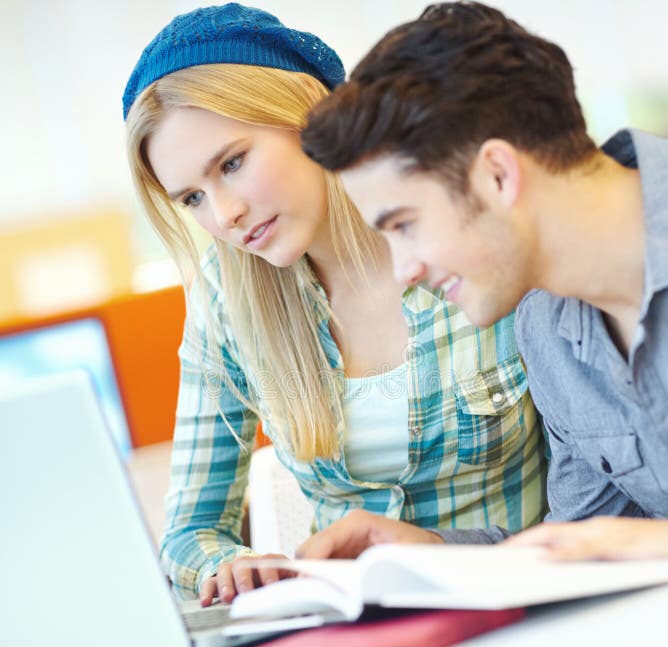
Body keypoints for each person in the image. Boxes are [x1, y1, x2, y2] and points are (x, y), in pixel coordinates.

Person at [296, 1, 668, 566]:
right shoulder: (544, 331)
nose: (403, 270)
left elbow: (640, 543)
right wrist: (433, 552)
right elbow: (586, 541)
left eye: (405, 225)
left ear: (498, 174)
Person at [122, 4, 547, 603]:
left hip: (524, 602)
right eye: (191, 197)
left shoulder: (459, 229)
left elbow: (595, 493)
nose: (224, 215)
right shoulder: (227, 296)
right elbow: (192, 534)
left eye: (233, 163)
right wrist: (233, 565)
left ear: (310, 117)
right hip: (357, 627)